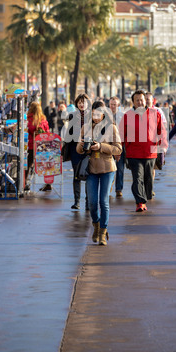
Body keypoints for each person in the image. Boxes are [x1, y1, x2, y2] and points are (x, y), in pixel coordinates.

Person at [76, 100, 122, 245]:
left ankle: (103, 231)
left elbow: (118, 149)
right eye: (94, 114)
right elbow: (78, 149)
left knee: (104, 201)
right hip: (91, 168)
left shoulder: (112, 128)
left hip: (108, 167)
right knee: (92, 202)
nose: (96, 117)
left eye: (99, 114)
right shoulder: (86, 128)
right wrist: (83, 146)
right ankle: (96, 224)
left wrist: (101, 146)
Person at [120, 89, 168, 212]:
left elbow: (161, 131)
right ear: (133, 103)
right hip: (133, 153)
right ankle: (140, 202)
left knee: (148, 179)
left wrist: (163, 146)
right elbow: (121, 134)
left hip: (150, 152)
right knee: (137, 178)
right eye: (137, 100)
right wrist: (118, 149)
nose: (140, 102)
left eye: (142, 100)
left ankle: (145, 196)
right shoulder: (127, 116)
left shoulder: (154, 113)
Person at [64, 93, 92, 210]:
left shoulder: (92, 116)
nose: (81, 104)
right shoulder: (72, 116)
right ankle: (77, 201)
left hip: (88, 150)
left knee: (87, 176)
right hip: (75, 149)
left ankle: (87, 202)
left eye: (83, 102)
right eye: (79, 102)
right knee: (76, 175)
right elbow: (68, 135)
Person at [26, 102, 50, 191]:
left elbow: (28, 130)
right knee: (45, 164)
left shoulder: (29, 119)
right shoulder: (43, 119)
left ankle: (24, 183)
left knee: (28, 164)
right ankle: (48, 183)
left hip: (31, 146)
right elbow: (47, 132)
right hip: (42, 145)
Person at [109, 96, 125, 197]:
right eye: (111, 104)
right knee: (109, 168)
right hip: (108, 145)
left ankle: (119, 189)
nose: (113, 106)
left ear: (118, 105)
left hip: (120, 145)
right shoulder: (105, 116)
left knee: (120, 168)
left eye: (115, 104)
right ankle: (109, 186)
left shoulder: (122, 116)